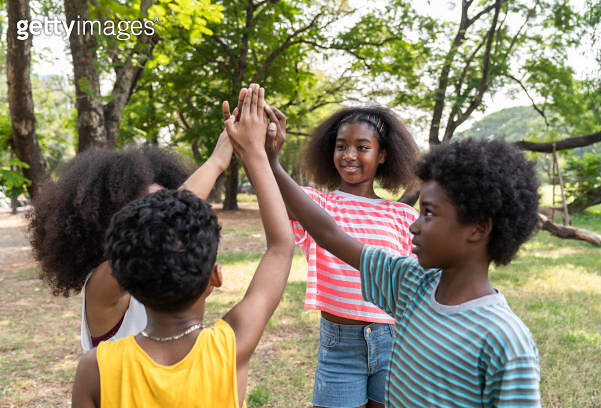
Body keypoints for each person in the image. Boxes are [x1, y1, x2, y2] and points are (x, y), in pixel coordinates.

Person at [265, 129, 542, 407]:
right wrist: (269, 161)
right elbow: (330, 235)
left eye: (429, 213)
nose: (413, 225)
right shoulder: (409, 285)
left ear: (477, 229)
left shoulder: (506, 342)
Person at [71, 84, 295, 408]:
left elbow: (152, 230)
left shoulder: (95, 369)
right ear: (215, 277)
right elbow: (281, 247)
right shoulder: (229, 348)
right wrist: (255, 155)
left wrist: (223, 159)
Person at [264, 105, 420, 408]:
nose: (349, 155)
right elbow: (272, 194)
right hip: (339, 347)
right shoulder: (314, 203)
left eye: (362, 147)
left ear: (383, 155)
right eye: (341, 147)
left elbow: (413, 284)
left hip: (394, 343)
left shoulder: (401, 214)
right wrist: (270, 158)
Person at [29, 128, 234, 351]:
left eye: (165, 199)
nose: (162, 213)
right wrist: (216, 162)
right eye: (150, 208)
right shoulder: (101, 287)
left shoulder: (162, 278)